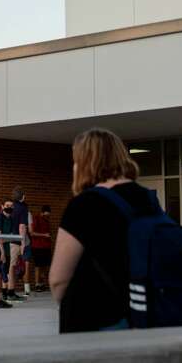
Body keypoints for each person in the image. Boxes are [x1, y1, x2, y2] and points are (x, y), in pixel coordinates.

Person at [51, 127, 153, 333]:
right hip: (143, 317)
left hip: (96, 321)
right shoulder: (148, 199)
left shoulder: (84, 205)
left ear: (86, 162)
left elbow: (58, 280)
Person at [8, 186, 29, 297]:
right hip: (16, 240)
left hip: (7, 239)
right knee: (12, 266)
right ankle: (10, 292)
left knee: (8, 266)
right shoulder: (23, 207)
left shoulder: (10, 206)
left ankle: (7, 291)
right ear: (23, 196)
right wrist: (23, 243)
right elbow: (22, 226)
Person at [29, 204, 53, 291]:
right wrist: (44, 235)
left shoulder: (46, 220)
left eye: (49, 214)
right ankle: (37, 285)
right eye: (47, 214)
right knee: (38, 265)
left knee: (45, 265)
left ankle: (42, 284)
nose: (48, 215)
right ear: (42, 212)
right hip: (38, 246)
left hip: (46, 246)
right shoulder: (36, 218)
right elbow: (32, 233)